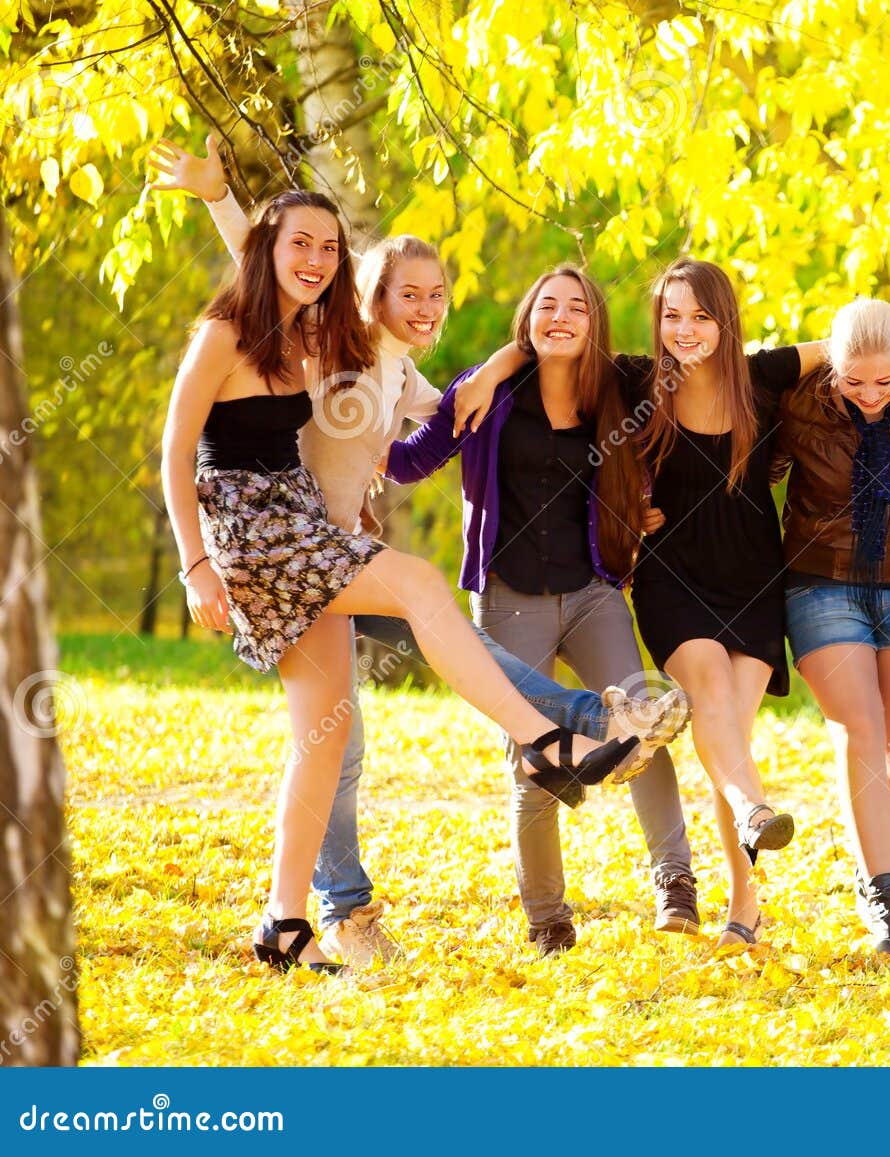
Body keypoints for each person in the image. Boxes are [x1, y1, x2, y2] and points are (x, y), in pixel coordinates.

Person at [150, 138, 687, 966]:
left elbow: (453, 410)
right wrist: (193, 564)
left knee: (324, 741)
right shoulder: (264, 336)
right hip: (263, 538)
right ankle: (555, 740)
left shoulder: (331, 347)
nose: (316, 260)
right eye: (302, 245)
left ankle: (285, 924)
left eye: (329, 248)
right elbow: (177, 444)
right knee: (423, 589)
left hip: (314, 540)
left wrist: (518, 354)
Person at [385, 266, 700, 954]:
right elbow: (407, 464)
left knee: (640, 723)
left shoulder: (619, 393)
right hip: (507, 599)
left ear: (595, 325)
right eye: (547, 305)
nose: (561, 316)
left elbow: (648, 458)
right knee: (536, 756)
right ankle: (547, 917)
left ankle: (675, 882)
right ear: (527, 319)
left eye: (577, 307)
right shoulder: (488, 392)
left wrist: (640, 506)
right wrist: (333, 443)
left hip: (592, 593)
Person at [775, 298, 890, 953]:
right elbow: (737, 450)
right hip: (823, 584)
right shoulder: (798, 403)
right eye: (854, 380)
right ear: (830, 366)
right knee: (863, 731)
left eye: (886, 381)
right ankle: (887, 898)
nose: (871, 395)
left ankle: (877, 873)